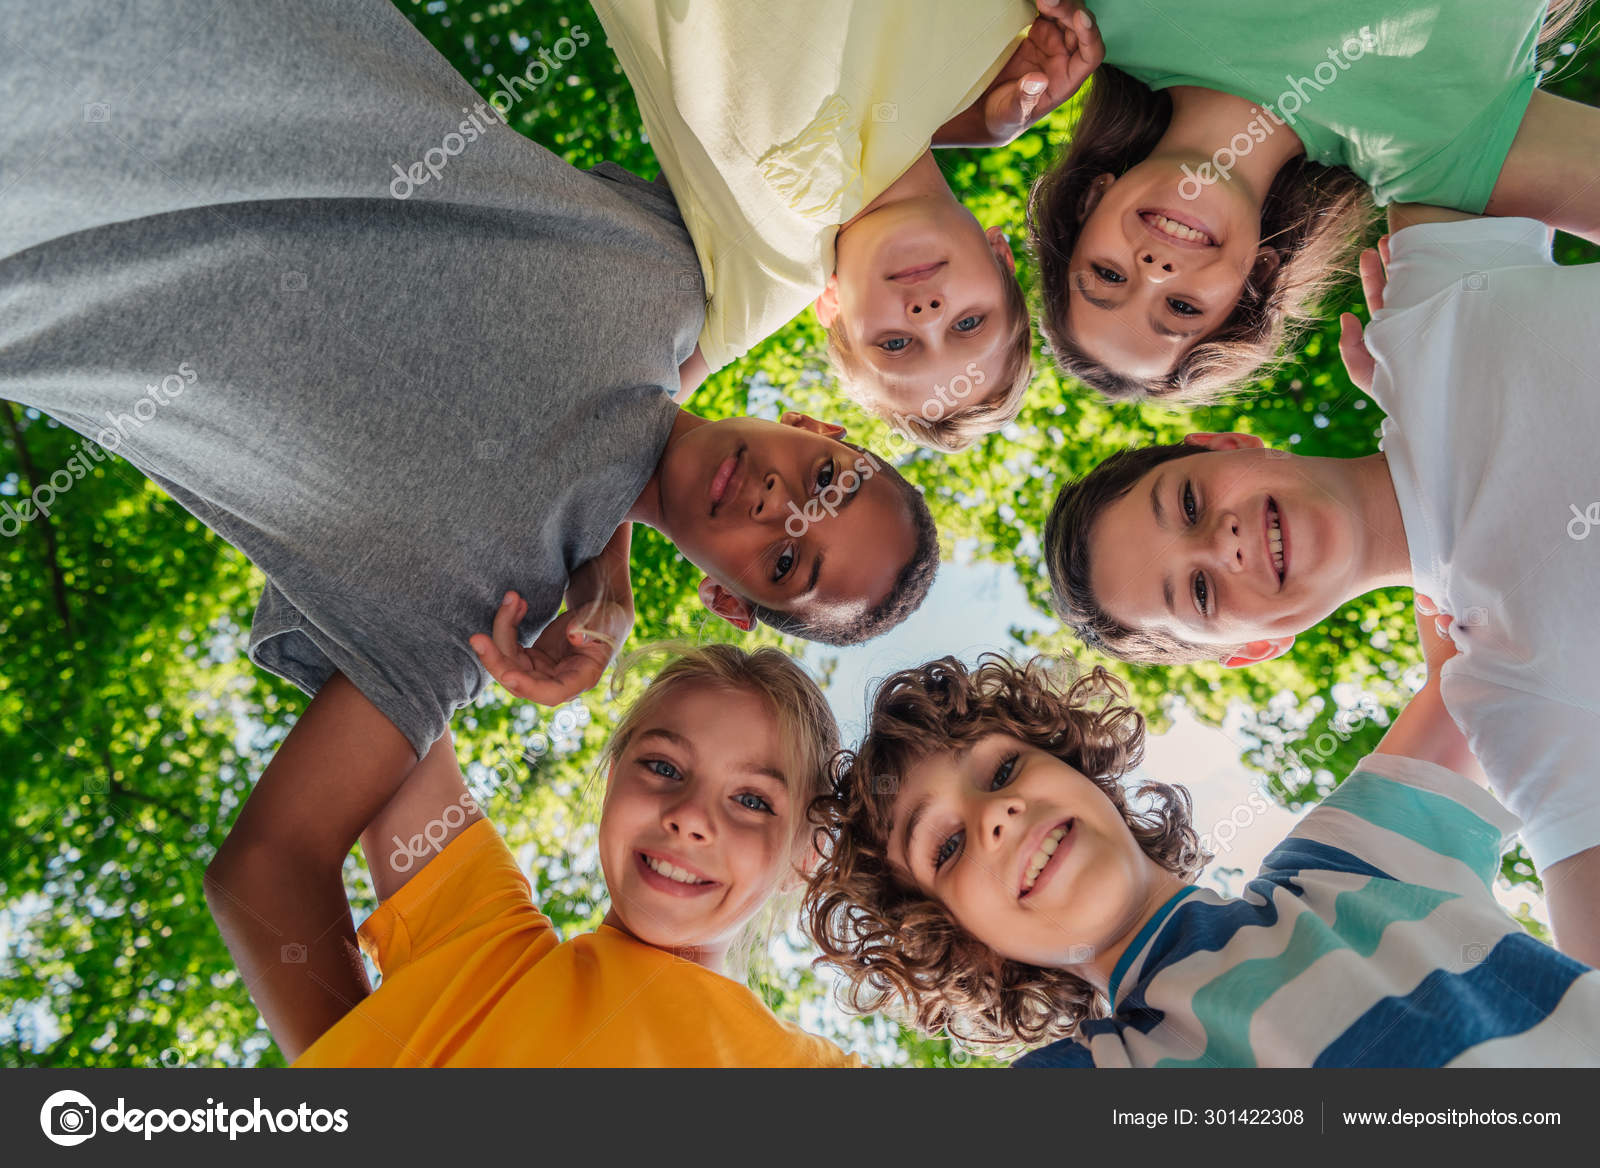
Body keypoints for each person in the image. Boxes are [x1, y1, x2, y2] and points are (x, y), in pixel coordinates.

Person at [0, 0, 939, 769]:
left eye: (785, 562)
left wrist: (595, 590)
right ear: (819, 424)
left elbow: (269, 872)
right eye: (824, 482)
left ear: (730, 604)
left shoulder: (485, 611)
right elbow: (835, 86)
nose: (780, 503)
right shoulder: (685, 276)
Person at [1041, 209, 1600, 966]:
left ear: (1227, 442)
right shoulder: (1512, 701)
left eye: (1189, 505)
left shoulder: (1429, 317)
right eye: (1200, 593)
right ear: (1258, 646)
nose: (1222, 543)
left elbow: (1478, 127)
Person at [803, 643, 1600, 1066]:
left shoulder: (1343, 861)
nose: (997, 816)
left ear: (1081, 770)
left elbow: (1470, 664)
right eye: (945, 846)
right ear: (959, 942)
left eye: (1004, 770)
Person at [207, 644, 862, 1066]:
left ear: (808, 858)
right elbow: (394, 640)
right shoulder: (480, 949)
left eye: (753, 801)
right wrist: (593, 546)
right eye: (662, 765)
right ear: (609, 785)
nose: (689, 816)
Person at [593, 0, 1104, 451]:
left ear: (831, 305)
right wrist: (977, 120)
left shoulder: (774, 271)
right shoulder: (1000, 48)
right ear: (1002, 257)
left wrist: (609, 558)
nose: (926, 314)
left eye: (896, 344)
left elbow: (618, 434)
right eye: (968, 324)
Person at [1028, 0, 1597, 402]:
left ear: (1089, 202)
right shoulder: (1437, 160)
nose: (1153, 271)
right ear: (1258, 275)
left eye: (1106, 275)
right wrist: (1437, 411)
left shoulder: (1093, 17)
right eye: (1182, 309)